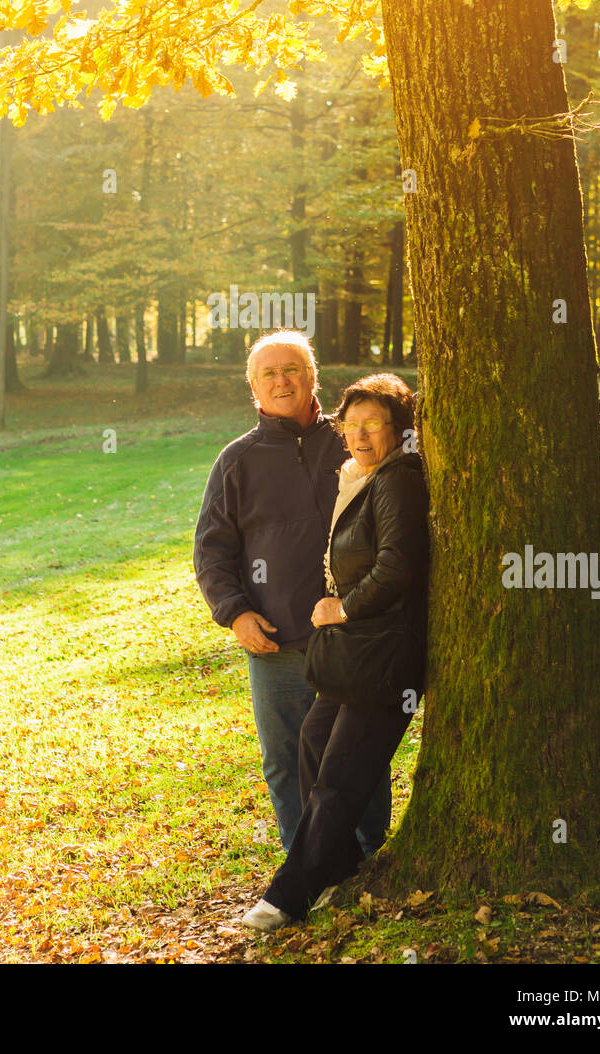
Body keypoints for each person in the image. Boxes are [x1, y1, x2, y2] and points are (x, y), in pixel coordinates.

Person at [241, 372, 430, 930]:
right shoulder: (356, 477)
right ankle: (341, 864)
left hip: (387, 656)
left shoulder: (398, 479)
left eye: (376, 425)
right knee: (313, 741)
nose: (362, 436)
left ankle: (290, 893)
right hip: (357, 653)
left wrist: (342, 608)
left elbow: (398, 566)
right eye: (352, 425)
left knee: (340, 776)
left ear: (398, 431)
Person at [193, 330, 392, 857]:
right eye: (269, 373)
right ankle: (308, 865)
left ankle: (373, 856)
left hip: (352, 633)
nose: (282, 381)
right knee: (284, 758)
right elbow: (211, 552)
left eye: (292, 370)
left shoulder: (350, 439)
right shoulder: (237, 461)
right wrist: (236, 616)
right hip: (276, 642)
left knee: (357, 752)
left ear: (313, 378)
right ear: (253, 388)